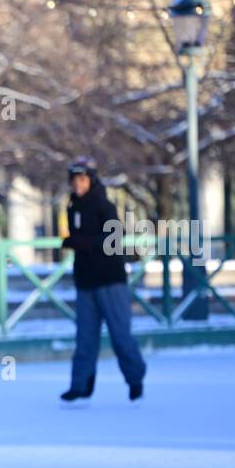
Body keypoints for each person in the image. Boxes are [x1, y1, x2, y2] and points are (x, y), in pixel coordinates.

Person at [59, 157, 146, 403]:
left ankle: (135, 379)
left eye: (82, 179)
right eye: (74, 179)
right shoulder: (72, 207)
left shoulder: (104, 206)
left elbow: (113, 240)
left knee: (120, 335)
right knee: (85, 338)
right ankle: (80, 385)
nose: (78, 184)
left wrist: (82, 243)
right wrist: (76, 243)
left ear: (92, 179)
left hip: (110, 280)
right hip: (86, 281)